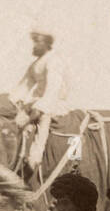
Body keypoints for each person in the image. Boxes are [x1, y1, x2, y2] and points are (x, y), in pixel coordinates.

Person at [10, 26, 69, 173]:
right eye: (34, 42)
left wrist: (38, 109)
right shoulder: (36, 64)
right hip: (37, 100)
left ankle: (35, 157)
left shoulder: (54, 61)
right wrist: (15, 100)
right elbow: (24, 85)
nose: (34, 46)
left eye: (37, 42)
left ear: (46, 44)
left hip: (54, 101)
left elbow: (53, 89)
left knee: (43, 117)